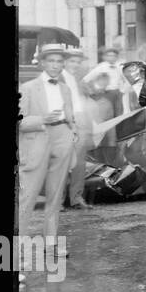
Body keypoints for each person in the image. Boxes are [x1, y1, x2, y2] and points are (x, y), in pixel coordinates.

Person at [18, 38, 81, 242]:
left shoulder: (65, 89)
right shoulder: (28, 88)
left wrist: (72, 132)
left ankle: (51, 242)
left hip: (62, 138)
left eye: (59, 61)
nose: (55, 65)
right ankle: (14, 248)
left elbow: (71, 116)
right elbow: (20, 122)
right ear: (43, 63)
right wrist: (42, 119)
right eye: (51, 60)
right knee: (27, 197)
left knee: (55, 196)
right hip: (37, 140)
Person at [61, 46, 92, 210]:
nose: (75, 65)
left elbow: (84, 101)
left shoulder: (78, 79)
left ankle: (76, 198)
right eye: (72, 61)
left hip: (82, 119)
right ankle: (58, 201)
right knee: (63, 161)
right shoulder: (59, 77)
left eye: (78, 62)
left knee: (80, 162)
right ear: (65, 61)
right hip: (66, 121)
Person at [87, 45, 127, 116]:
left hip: (118, 93)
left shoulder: (120, 67)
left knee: (119, 114)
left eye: (114, 56)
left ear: (117, 57)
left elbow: (126, 79)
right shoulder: (101, 67)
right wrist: (95, 89)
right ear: (106, 57)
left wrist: (122, 90)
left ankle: (118, 126)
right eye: (109, 55)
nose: (112, 57)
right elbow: (88, 78)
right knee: (107, 114)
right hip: (105, 93)